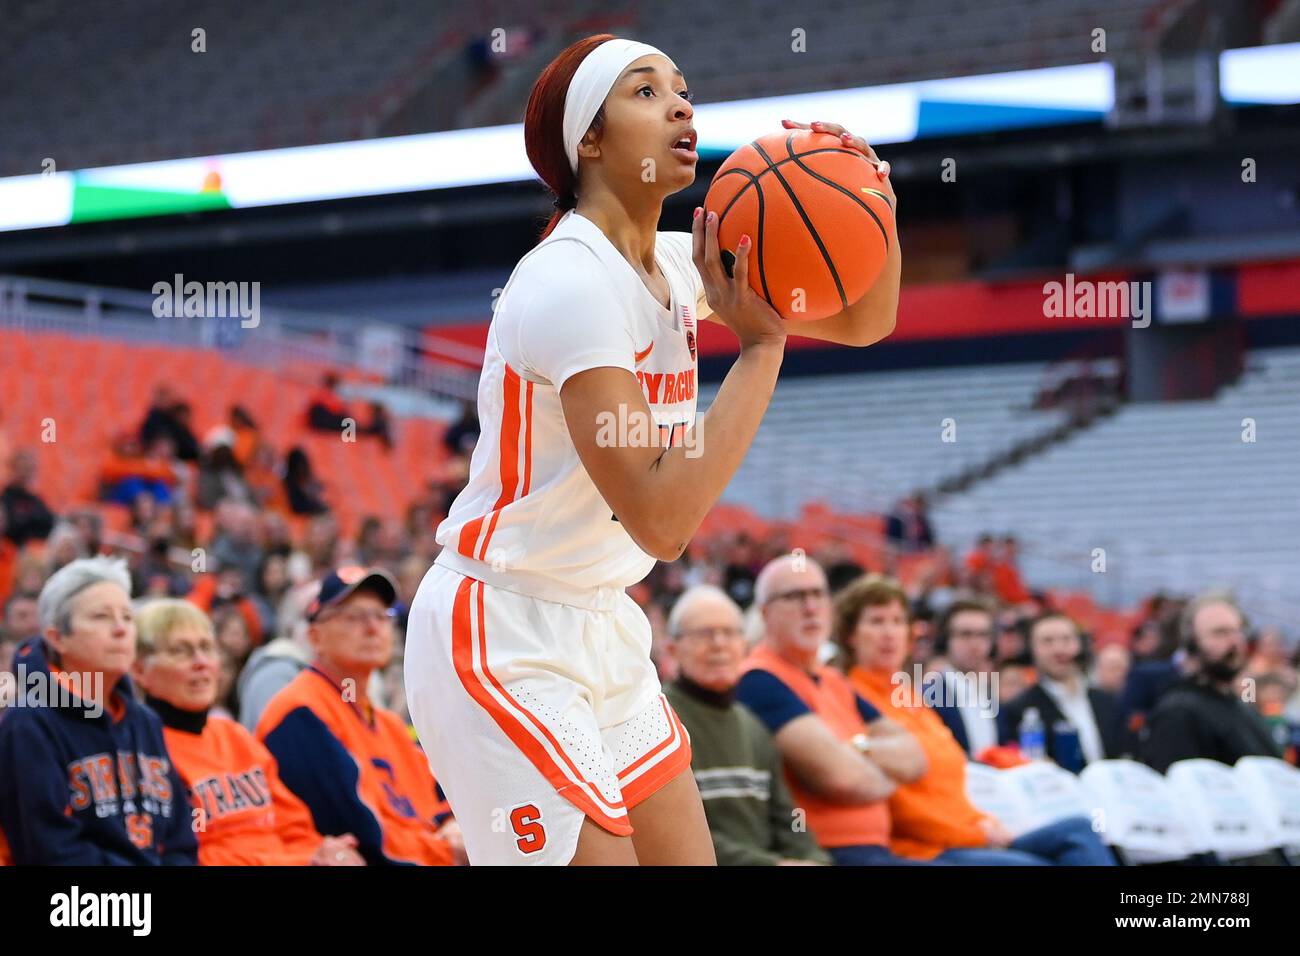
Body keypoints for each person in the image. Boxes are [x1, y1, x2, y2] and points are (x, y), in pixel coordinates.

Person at [403, 34, 900, 867]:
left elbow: (863, 320)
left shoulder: (676, 260)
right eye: (644, 92)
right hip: (502, 630)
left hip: (602, 619)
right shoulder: (569, 282)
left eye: (682, 89)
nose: (681, 106)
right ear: (587, 141)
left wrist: (871, 195)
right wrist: (761, 350)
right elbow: (664, 522)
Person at [836, 575, 1114, 865]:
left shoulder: (911, 698)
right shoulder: (855, 697)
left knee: (1081, 832)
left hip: (976, 821)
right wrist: (977, 832)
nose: (889, 633)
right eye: (877, 622)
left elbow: (950, 782)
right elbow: (899, 805)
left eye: (897, 622)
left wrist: (983, 819)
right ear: (851, 635)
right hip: (928, 845)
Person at [133, 598, 365, 866]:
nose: (201, 662)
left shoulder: (236, 736)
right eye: (180, 651)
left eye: (207, 648)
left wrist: (325, 852)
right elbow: (183, 857)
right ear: (139, 669)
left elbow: (295, 828)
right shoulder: (143, 751)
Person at [257, 567, 460, 865]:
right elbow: (364, 839)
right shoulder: (298, 712)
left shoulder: (389, 724)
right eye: (353, 616)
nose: (372, 627)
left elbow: (440, 801)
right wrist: (450, 851)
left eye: (382, 616)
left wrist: (453, 828)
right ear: (315, 636)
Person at [0, 557, 197, 864]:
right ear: (57, 638)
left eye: (128, 617)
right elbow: (51, 852)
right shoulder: (28, 722)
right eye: (102, 617)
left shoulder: (146, 721)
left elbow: (180, 841)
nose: (120, 629)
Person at [734, 556, 927, 865]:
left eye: (818, 595)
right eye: (795, 597)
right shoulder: (759, 678)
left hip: (878, 850)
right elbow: (843, 778)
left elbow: (916, 757)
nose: (811, 608)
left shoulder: (833, 679)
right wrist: (886, 776)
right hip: (826, 853)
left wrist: (854, 749)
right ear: (765, 612)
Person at [663, 585, 829, 865]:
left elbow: (789, 820)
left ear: (744, 646)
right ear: (672, 649)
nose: (719, 644)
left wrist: (813, 859)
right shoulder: (658, 721)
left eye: (730, 633)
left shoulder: (754, 727)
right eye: (704, 634)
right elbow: (672, 834)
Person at [1139, 593, 1282, 772]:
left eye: (1238, 631)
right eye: (1220, 632)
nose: (1234, 641)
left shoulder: (1240, 707)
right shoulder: (1178, 712)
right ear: (1191, 642)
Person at [999, 613, 1127, 770]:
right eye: (1047, 641)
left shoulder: (1106, 701)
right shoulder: (1018, 709)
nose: (1059, 649)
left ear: (1080, 644)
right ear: (1032, 649)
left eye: (1066, 639)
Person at [928, 599, 1001, 758]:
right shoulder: (929, 696)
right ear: (946, 640)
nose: (975, 644)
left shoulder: (993, 695)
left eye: (983, 635)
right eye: (965, 635)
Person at [2, 449, 55, 547]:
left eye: (28, 469)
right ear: (11, 469)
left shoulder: (36, 499)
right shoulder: (4, 499)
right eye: (21, 468)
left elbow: (50, 522)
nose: (25, 473)